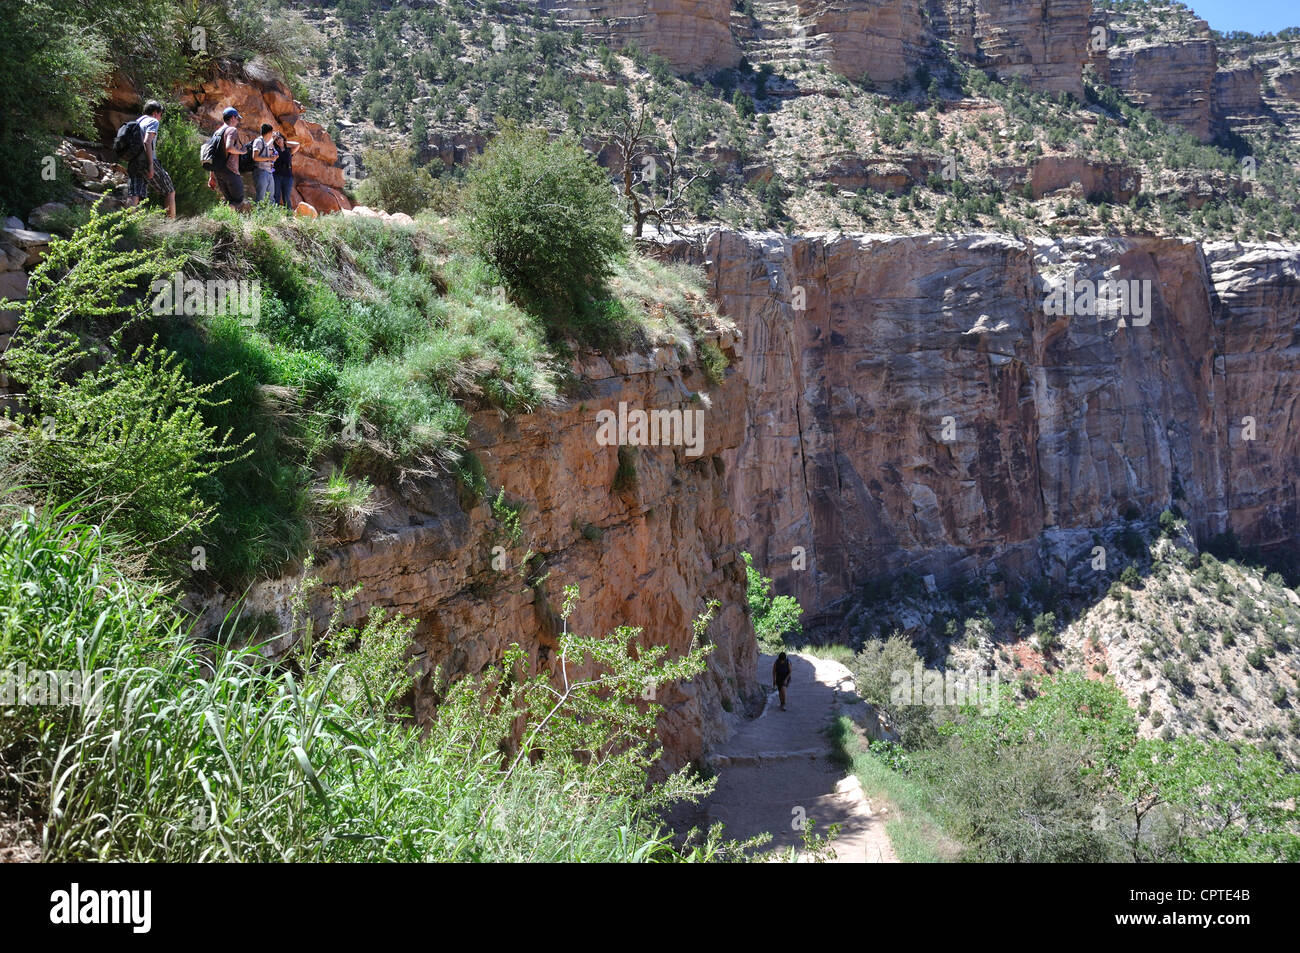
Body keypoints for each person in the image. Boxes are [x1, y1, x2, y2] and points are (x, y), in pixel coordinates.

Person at [127, 100, 176, 219]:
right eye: (160, 115)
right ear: (155, 113)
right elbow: (147, 141)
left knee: (134, 193)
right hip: (146, 161)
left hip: (134, 161)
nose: (160, 118)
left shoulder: (137, 121)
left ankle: (127, 224)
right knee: (169, 191)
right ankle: (171, 226)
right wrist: (150, 165)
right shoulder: (153, 121)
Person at [208, 107, 248, 207]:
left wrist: (211, 177)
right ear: (233, 118)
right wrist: (241, 152)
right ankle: (226, 219)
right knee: (238, 200)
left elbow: (213, 155)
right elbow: (229, 147)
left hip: (218, 171)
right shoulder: (231, 130)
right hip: (230, 170)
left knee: (229, 200)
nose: (237, 121)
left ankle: (225, 221)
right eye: (237, 118)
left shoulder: (217, 132)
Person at [271, 131, 301, 209]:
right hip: (276, 175)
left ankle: (289, 215)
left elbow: (297, 145)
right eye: (276, 140)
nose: (278, 141)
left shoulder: (289, 150)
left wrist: (285, 141)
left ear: (283, 138)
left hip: (288, 176)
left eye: (279, 138)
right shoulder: (275, 150)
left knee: (286, 197)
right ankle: (274, 214)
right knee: (276, 195)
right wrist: (273, 138)